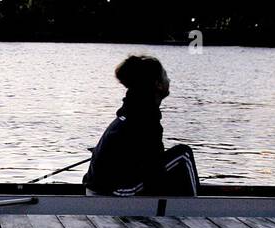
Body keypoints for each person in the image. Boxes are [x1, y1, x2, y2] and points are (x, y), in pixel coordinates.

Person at [83, 55, 199, 197]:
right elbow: (153, 171)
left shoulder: (132, 109)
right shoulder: (144, 117)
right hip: (113, 194)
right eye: (165, 76)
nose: (169, 80)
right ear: (158, 84)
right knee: (183, 154)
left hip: (96, 190)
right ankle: (197, 207)